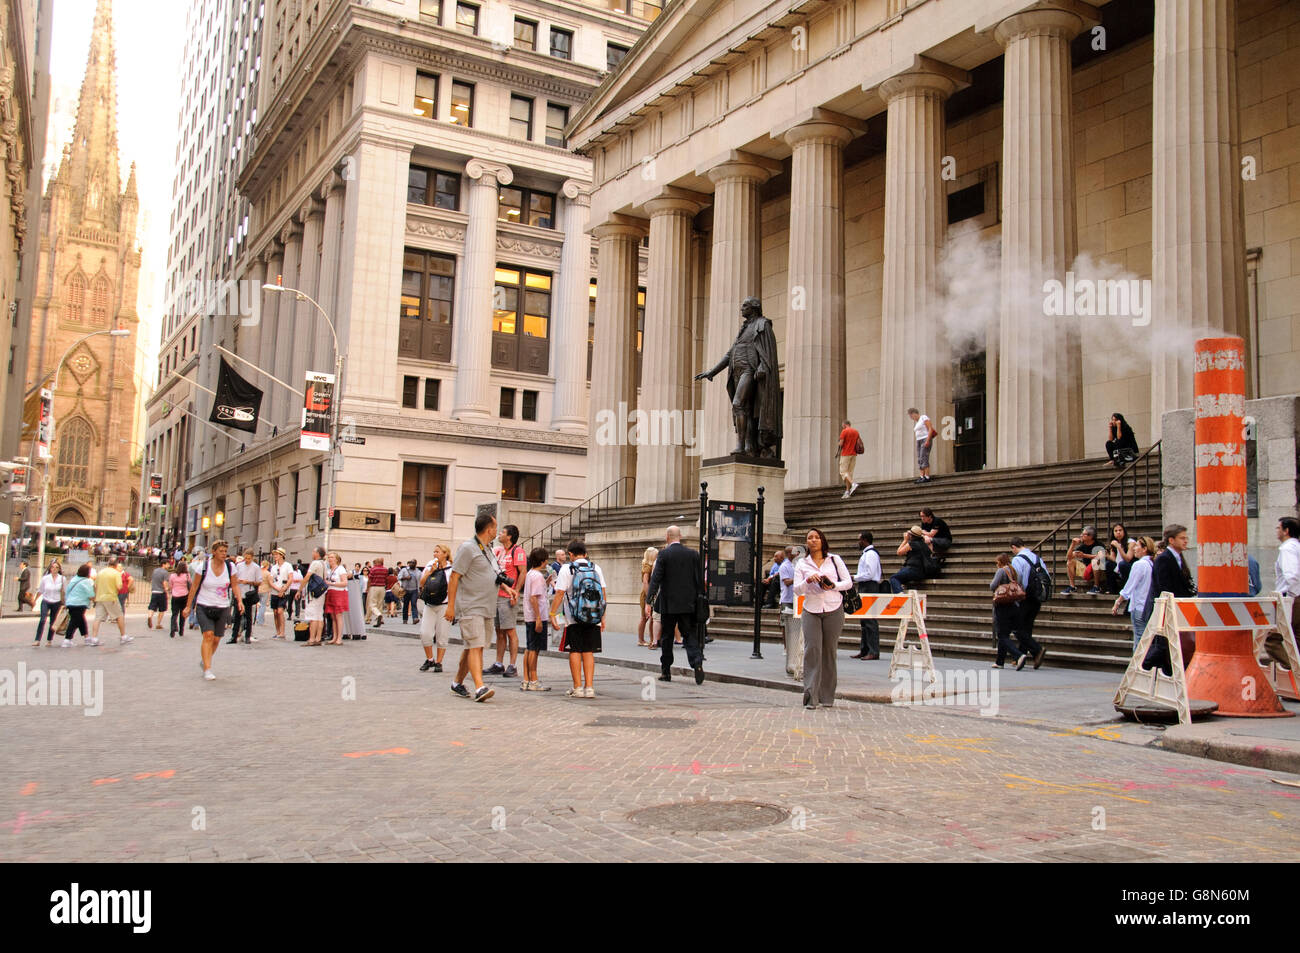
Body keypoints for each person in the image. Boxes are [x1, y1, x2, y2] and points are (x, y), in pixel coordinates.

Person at [794, 528, 852, 709]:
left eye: (817, 537)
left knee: (829, 651)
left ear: (822, 541)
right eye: (809, 538)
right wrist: (808, 581)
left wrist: (832, 585)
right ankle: (811, 697)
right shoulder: (802, 563)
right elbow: (796, 589)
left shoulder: (834, 559)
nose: (813, 540)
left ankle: (827, 697)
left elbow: (848, 582)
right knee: (812, 650)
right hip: (811, 609)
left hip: (834, 607)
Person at [445, 512, 500, 702]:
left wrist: (508, 588)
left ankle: (457, 683)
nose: (497, 531)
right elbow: (454, 576)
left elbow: (495, 574)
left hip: (487, 606)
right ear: (489, 529)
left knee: (473, 646)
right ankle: (480, 687)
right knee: (475, 645)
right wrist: (451, 606)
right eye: (495, 527)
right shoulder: (468, 548)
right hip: (471, 605)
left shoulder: (488, 549)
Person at [644, 526, 703, 685]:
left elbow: (655, 579)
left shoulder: (664, 554)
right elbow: (699, 580)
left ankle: (666, 671)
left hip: (669, 604)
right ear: (680, 536)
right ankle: (697, 662)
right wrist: (700, 599)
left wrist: (649, 601)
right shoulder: (693, 554)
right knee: (689, 634)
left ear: (667, 537)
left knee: (667, 637)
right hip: (688, 603)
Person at [555, 539, 609, 696]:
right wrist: (603, 616)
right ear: (585, 554)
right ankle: (590, 687)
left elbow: (559, 593)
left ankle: (577, 687)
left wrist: (553, 614)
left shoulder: (566, 569)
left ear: (570, 554)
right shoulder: (595, 567)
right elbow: (603, 593)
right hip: (593, 615)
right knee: (589, 651)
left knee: (575, 651)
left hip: (574, 616)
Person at [1140, 524, 1196, 675]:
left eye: (1186, 538)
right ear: (1171, 540)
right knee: (1163, 645)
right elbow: (1163, 587)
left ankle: (1168, 671)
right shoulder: (1164, 559)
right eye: (1182, 538)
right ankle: (1145, 665)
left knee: (1169, 646)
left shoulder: (1178, 557)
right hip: (1167, 609)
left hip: (1178, 609)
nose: (1186, 541)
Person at [184, 540, 240, 680]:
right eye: (221, 551)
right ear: (214, 552)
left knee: (216, 639)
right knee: (208, 635)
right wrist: (188, 606)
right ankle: (207, 669)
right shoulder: (203, 567)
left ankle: (205, 659)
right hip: (204, 605)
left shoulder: (230, 567)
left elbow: (234, 586)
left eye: (225, 551)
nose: (224, 554)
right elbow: (194, 587)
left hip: (222, 606)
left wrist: (240, 601)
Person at [488, 524, 526, 678]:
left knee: (510, 630)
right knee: (499, 631)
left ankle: (512, 665)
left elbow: (523, 572)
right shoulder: (497, 550)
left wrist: (515, 592)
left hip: (507, 596)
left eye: (503, 532)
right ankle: (498, 663)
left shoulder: (518, 551)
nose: (500, 534)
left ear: (509, 536)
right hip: (496, 595)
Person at [1263, 517, 1300, 669]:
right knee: (1296, 638)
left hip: (1290, 598)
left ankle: (1295, 669)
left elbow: (1291, 574)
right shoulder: (1297, 547)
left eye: (1279, 528)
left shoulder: (1287, 548)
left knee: (1272, 640)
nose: (1277, 531)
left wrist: (1292, 596)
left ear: (1286, 531)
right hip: (1295, 597)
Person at [1009, 536, 1049, 667]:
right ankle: (1021, 655)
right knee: (1027, 626)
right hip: (1037, 596)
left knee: (1016, 627)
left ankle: (1036, 649)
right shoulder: (1037, 558)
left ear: (1013, 547)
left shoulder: (1017, 559)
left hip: (1025, 596)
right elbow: (1046, 575)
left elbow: (1017, 578)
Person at [990, 553, 1033, 668]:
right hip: (1014, 605)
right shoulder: (1015, 571)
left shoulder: (1001, 571)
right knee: (1005, 634)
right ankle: (1000, 661)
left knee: (1002, 635)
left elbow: (993, 585)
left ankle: (1018, 655)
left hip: (1002, 604)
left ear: (1000, 562)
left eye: (997, 562)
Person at [1112, 536, 1156, 647]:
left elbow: (1129, 586)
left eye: (1137, 545)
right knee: (1145, 638)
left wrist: (1118, 602)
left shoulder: (1139, 565)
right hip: (1149, 606)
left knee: (1139, 639)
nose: (1134, 548)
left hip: (1139, 606)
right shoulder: (1152, 564)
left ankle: (1138, 664)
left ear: (1144, 548)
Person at [520, 547, 552, 692]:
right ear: (543, 560)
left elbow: (534, 594)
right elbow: (534, 598)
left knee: (530, 647)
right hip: (537, 616)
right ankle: (533, 679)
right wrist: (539, 618)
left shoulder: (530, 574)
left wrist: (546, 582)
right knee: (535, 649)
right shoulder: (537, 576)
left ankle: (527, 679)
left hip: (529, 616)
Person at [418, 545, 452, 672]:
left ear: (445, 554)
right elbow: (421, 583)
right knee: (425, 633)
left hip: (444, 605)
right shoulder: (430, 565)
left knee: (442, 635)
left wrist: (452, 607)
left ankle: (439, 662)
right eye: (434, 551)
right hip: (430, 604)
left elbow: (453, 588)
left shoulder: (451, 568)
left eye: (437, 552)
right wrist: (430, 571)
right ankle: (430, 659)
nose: (434, 554)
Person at [851, 532, 883, 660]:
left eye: (859, 540)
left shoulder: (871, 554)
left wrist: (855, 577)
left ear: (864, 540)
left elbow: (869, 574)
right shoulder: (867, 554)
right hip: (865, 585)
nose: (858, 542)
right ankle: (864, 649)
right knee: (864, 620)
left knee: (870, 620)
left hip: (869, 586)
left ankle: (873, 650)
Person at [91, 556, 132, 647]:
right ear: (116, 564)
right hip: (111, 597)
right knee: (119, 615)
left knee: (98, 618)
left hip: (100, 597)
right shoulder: (116, 573)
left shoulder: (101, 572)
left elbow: (95, 585)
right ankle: (123, 636)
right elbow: (119, 586)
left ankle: (94, 638)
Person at [1062, 526, 1105, 594]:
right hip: (1087, 570)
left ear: (1090, 536)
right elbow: (1069, 557)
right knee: (1070, 562)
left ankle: (1096, 586)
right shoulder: (1083, 546)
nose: (1081, 536)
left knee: (1095, 561)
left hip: (1100, 571)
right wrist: (1072, 545)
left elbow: (1101, 556)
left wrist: (1084, 555)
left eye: (1083, 534)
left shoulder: (1099, 544)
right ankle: (1072, 586)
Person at [32, 560, 66, 647]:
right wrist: (34, 600)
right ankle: (37, 639)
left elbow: (64, 591)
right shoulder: (45, 578)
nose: (54, 569)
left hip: (56, 602)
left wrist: (65, 602)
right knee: (43, 620)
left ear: (59, 569)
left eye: (56, 567)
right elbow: (40, 590)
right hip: (46, 600)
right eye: (53, 567)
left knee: (52, 621)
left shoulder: (62, 579)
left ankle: (49, 640)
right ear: (50, 568)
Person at [232, 549, 262, 644]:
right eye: (245, 558)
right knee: (237, 615)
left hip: (249, 593)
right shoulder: (239, 566)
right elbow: (234, 578)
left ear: (252, 558)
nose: (247, 560)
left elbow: (259, 582)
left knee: (248, 616)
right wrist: (237, 581)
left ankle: (248, 636)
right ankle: (234, 636)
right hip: (240, 593)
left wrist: (248, 582)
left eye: (249, 558)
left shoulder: (256, 567)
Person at [62, 564, 95, 647]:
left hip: (70, 602)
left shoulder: (74, 579)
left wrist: (66, 602)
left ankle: (86, 637)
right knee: (74, 621)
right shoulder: (87, 581)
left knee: (80, 620)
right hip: (80, 603)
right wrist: (95, 600)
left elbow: (68, 591)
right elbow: (90, 594)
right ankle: (67, 639)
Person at [780, 545, 801, 678]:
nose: (797, 553)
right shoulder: (785, 566)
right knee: (786, 624)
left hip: (796, 598)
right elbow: (786, 582)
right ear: (789, 554)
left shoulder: (796, 564)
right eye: (795, 552)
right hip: (787, 599)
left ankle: (794, 648)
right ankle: (787, 648)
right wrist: (798, 579)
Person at [890, 526, 929, 593]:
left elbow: (899, 552)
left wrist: (905, 540)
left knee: (893, 578)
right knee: (901, 574)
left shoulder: (912, 544)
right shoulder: (924, 544)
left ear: (911, 536)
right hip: (922, 571)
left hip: (913, 569)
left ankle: (900, 595)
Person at [303, 547, 328, 646]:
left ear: (317, 553)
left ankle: (311, 639)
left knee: (313, 616)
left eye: (313, 551)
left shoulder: (315, 563)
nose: (312, 553)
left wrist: (300, 589)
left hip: (314, 592)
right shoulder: (324, 564)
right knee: (319, 615)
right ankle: (318, 638)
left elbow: (307, 576)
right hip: (321, 592)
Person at [325, 553, 350, 645]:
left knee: (338, 615)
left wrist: (331, 583)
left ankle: (339, 637)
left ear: (336, 559)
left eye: (332, 557)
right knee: (333, 616)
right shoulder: (329, 570)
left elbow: (344, 582)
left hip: (339, 592)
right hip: (331, 592)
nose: (329, 559)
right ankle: (334, 636)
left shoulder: (341, 569)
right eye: (329, 557)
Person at [908, 408, 938, 484]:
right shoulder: (917, 422)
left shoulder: (923, 417)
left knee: (924, 457)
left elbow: (930, 428)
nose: (911, 418)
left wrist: (928, 440)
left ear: (914, 413)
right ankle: (922, 476)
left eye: (911, 416)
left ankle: (927, 476)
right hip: (919, 440)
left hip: (925, 439)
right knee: (920, 458)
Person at [268, 549, 293, 640]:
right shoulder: (274, 567)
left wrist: (284, 589)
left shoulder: (288, 566)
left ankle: (282, 632)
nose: (275, 556)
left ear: (282, 555)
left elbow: (290, 578)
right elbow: (270, 580)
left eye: (277, 554)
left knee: (280, 611)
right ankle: (277, 631)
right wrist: (277, 588)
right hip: (275, 591)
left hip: (284, 591)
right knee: (275, 612)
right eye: (274, 554)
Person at [637, 546, 659, 648]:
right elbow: (645, 582)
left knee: (651, 618)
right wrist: (649, 596)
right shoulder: (647, 567)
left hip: (649, 593)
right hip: (647, 594)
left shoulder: (649, 566)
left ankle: (651, 639)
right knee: (645, 617)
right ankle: (641, 639)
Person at [837, 419, 861, 498]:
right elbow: (859, 443)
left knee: (843, 471)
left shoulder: (844, 431)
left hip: (846, 454)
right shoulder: (856, 431)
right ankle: (847, 491)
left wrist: (839, 442)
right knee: (849, 473)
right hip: (853, 454)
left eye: (842, 425)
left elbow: (841, 444)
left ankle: (853, 484)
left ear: (844, 424)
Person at [168, 558, 190, 638]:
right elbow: (189, 584)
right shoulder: (187, 576)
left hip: (175, 596)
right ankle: (181, 630)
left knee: (174, 614)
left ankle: (172, 630)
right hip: (184, 596)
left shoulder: (172, 576)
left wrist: (172, 590)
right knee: (182, 614)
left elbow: (170, 585)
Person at [147, 559, 171, 630]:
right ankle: (158, 623)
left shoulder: (155, 571)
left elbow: (152, 580)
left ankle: (150, 616)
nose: (169, 565)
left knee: (152, 606)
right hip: (161, 592)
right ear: (164, 564)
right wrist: (167, 592)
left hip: (154, 591)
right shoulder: (165, 573)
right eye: (167, 564)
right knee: (162, 609)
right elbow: (165, 583)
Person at [366, 557, 388, 626]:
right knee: (379, 604)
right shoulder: (385, 569)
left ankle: (378, 615)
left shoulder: (373, 569)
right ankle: (379, 620)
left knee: (372, 604)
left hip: (374, 587)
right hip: (382, 587)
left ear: (377, 562)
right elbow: (386, 579)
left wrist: (367, 588)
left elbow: (369, 579)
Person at [399, 559, 421, 624]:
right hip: (406, 590)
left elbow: (420, 581)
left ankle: (415, 618)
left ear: (415, 564)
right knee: (406, 604)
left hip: (414, 590)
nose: (412, 564)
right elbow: (399, 577)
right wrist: (405, 578)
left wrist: (420, 590)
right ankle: (405, 619)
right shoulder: (404, 570)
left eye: (413, 563)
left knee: (414, 604)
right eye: (411, 563)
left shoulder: (418, 571)